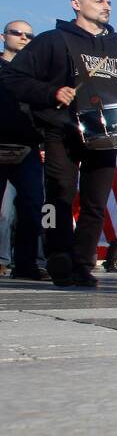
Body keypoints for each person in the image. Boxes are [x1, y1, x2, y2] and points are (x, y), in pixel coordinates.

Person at [0, 0, 117, 288]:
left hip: (107, 132)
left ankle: (82, 264)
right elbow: (12, 76)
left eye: (109, 1)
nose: (106, 6)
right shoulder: (52, 41)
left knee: (96, 201)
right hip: (62, 129)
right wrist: (50, 92)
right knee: (59, 195)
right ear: (76, 4)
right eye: (98, 1)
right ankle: (58, 254)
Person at [0, 19, 47, 280]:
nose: (23, 38)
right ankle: (1, 259)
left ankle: (27, 263)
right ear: (3, 36)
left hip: (27, 147)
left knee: (33, 206)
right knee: (4, 212)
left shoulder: (36, 76)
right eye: (17, 33)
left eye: (29, 35)